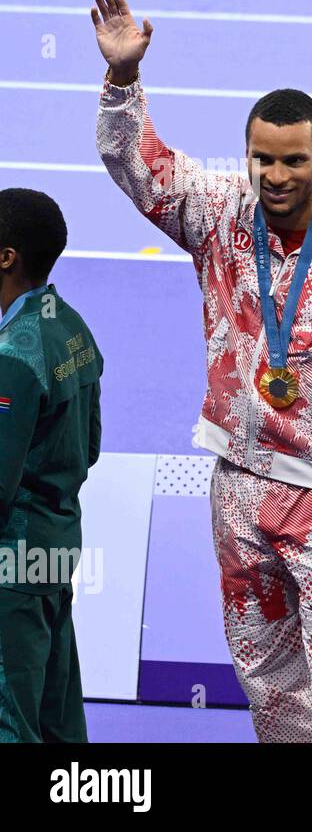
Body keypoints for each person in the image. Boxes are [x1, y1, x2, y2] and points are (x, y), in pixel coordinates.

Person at [92, 0, 312, 743]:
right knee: (265, 681)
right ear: (246, 155)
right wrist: (123, 81)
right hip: (237, 488)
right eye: (262, 160)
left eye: (293, 161)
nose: (276, 177)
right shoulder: (219, 217)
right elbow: (138, 166)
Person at [0, 188, 102, 743]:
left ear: (6, 256)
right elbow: (89, 447)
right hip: (55, 547)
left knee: (9, 718)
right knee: (55, 711)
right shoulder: (71, 327)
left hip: (10, 565)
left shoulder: (13, 355)